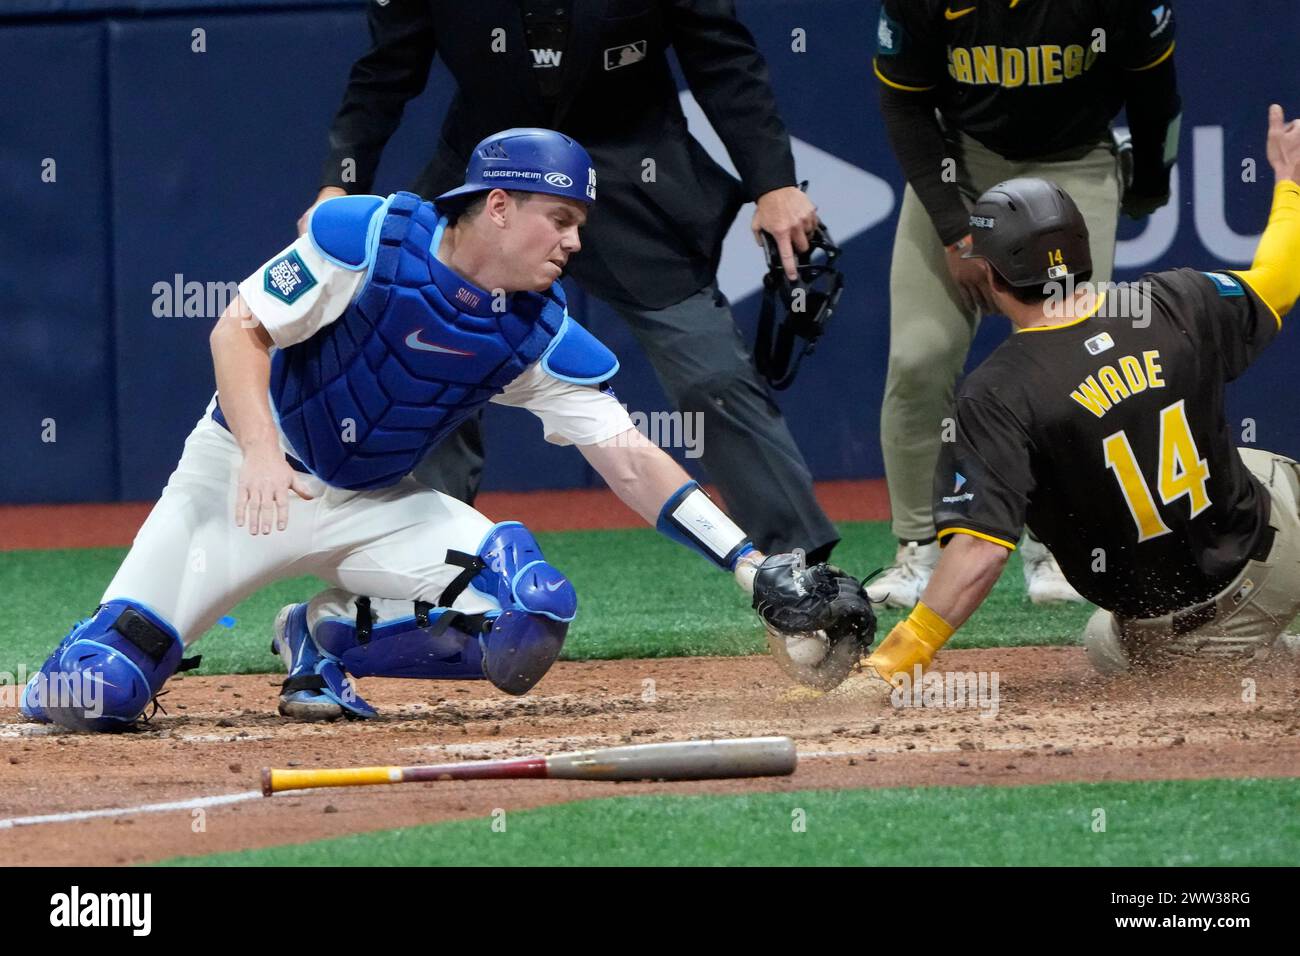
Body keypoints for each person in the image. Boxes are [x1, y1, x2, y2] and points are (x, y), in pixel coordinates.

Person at [19, 129, 865, 732]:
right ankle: (108, 650)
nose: (575, 242)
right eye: (561, 220)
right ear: (498, 206)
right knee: (94, 692)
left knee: (531, 617)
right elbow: (235, 330)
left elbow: (630, 458)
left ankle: (317, 634)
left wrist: (750, 566)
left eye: (579, 226)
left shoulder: (536, 329)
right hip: (242, 483)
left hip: (378, 506)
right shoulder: (367, 239)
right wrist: (262, 451)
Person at [300, 0, 840, 563]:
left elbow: (724, 63)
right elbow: (385, 71)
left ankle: (801, 568)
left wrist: (774, 182)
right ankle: (423, 571)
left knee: (711, 375)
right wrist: (341, 182)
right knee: (431, 358)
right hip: (489, 189)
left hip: (633, 181)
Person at [859, 105, 1300, 688]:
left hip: (1198, 626)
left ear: (991, 277)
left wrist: (896, 658)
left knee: (1105, 642)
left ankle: (1264, 650)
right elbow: (1279, 280)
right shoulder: (1174, 298)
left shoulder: (998, 393)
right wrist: (1289, 186)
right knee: (1262, 467)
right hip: (1280, 547)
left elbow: (980, 553)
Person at [869, 0, 1182, 607]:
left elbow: (1155, 87)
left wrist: (1150, 183)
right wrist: (958, 231)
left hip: (1073, 164)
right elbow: (903, 102)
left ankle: (1059, 549)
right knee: (919, 356)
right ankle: (916, 551)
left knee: (1070, 365)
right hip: (960, 163)